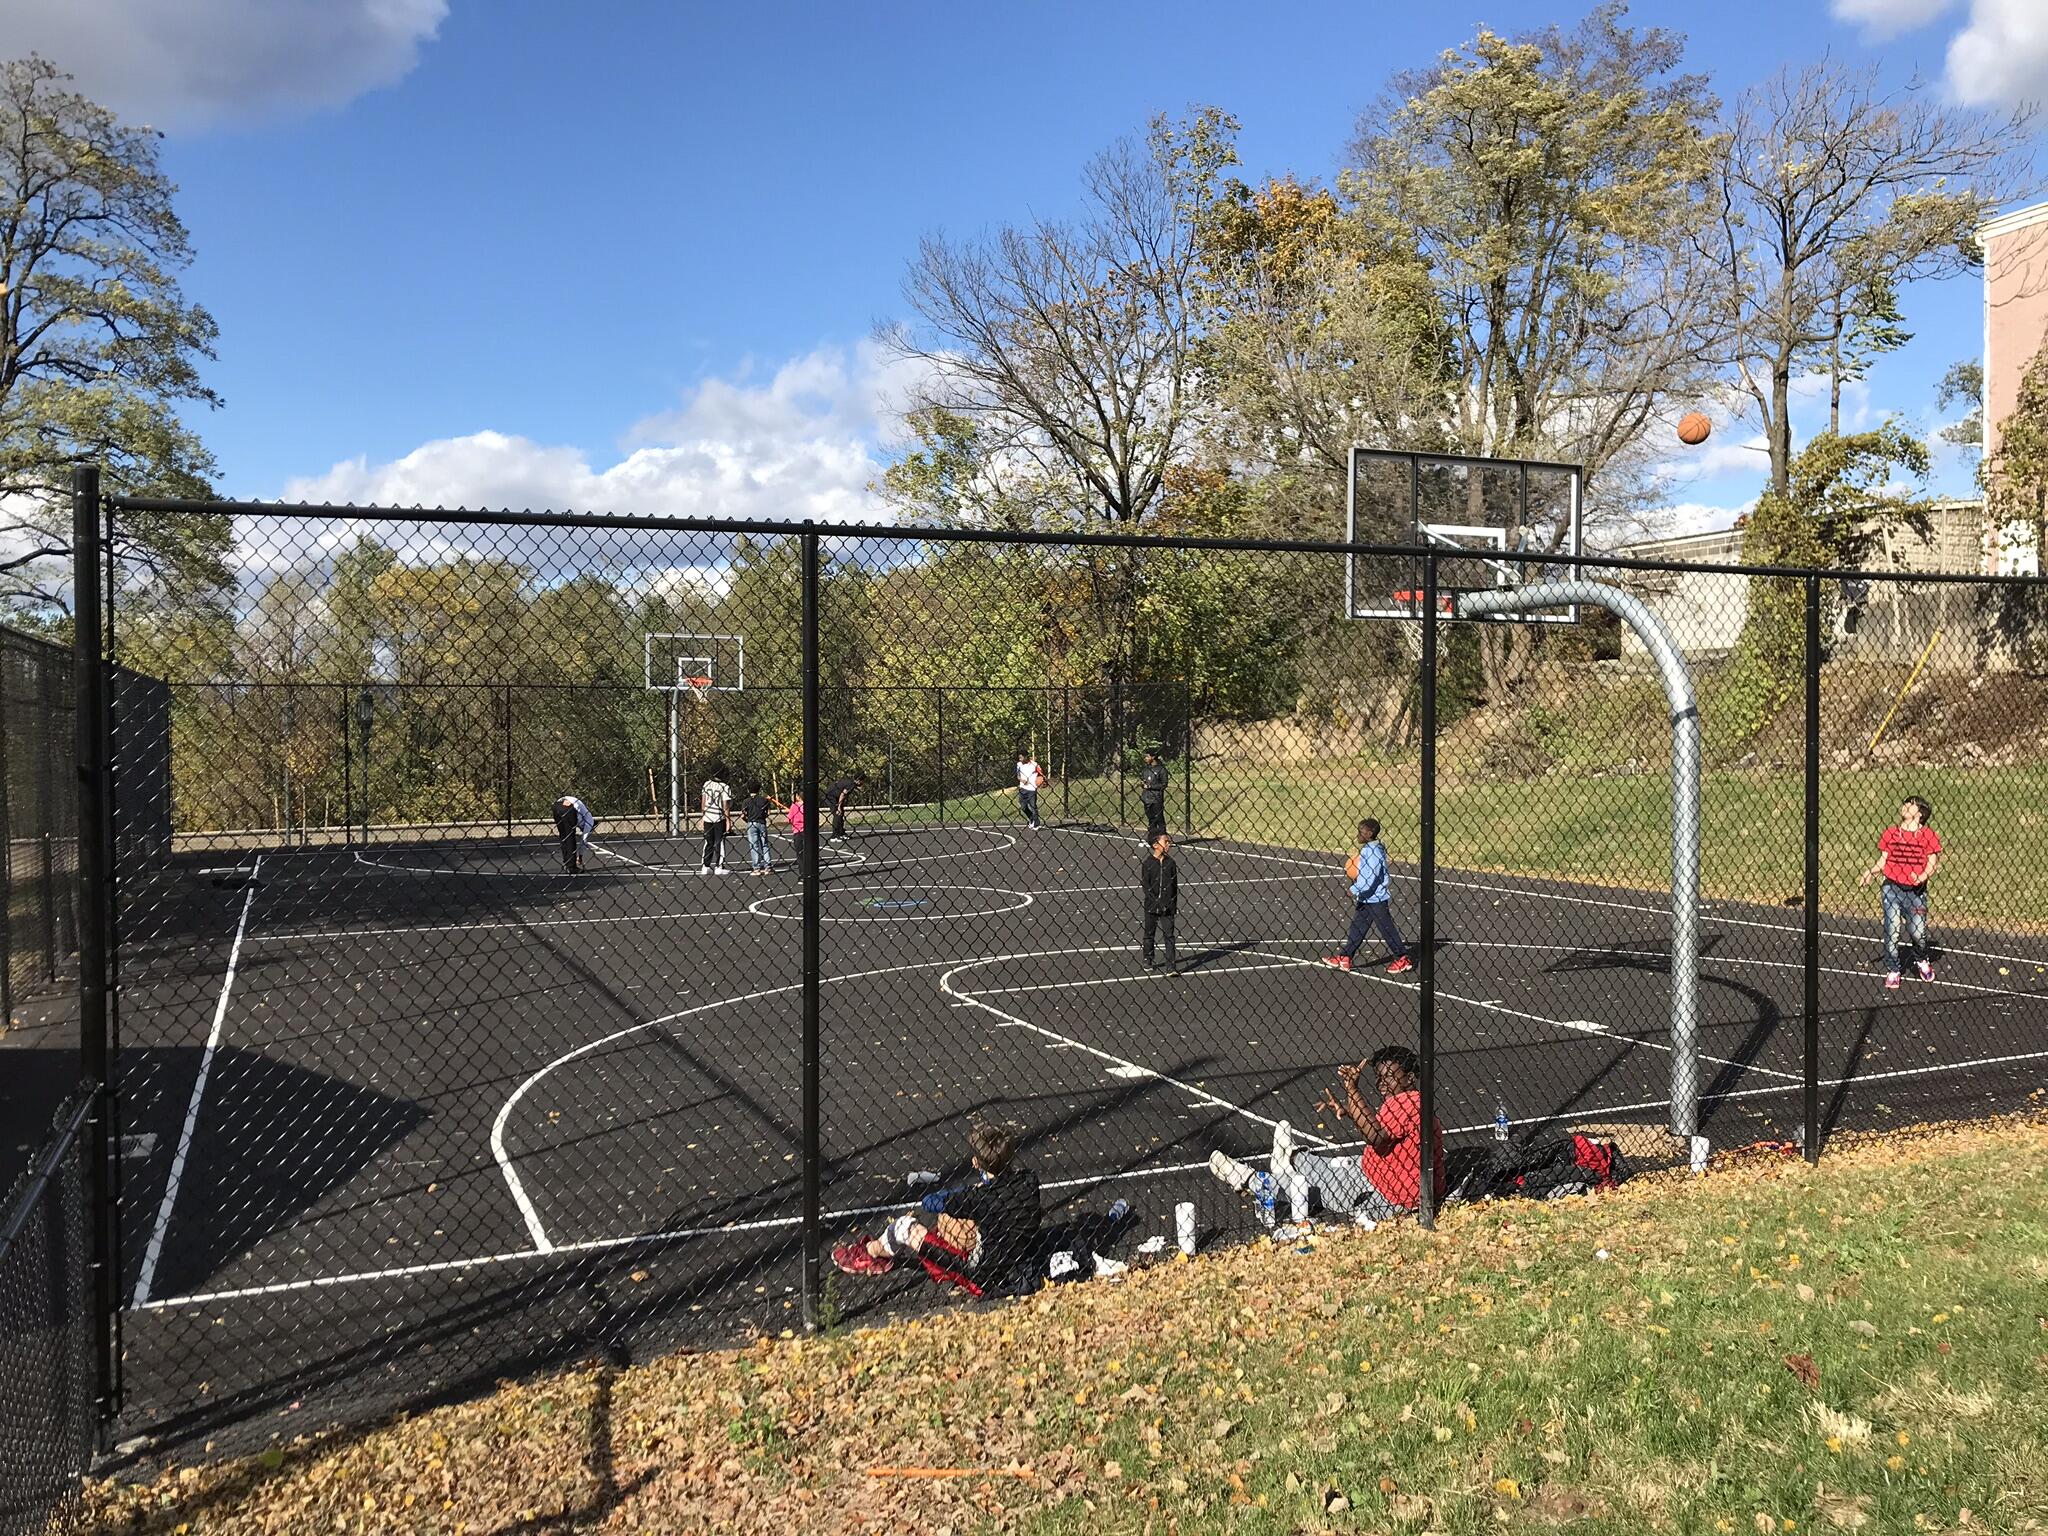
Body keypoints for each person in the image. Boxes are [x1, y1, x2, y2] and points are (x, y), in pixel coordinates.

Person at [1209, 1045, 1444, 1224]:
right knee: (1333, 1167)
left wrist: (1352, 1089)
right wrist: (1350, 1112)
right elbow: (1379, 1129)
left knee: (1316, 1186)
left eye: (1389, 1077)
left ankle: (1249, 1178)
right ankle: (1292, 1158)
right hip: (1380, 1174)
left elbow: (1375, 1135)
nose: (1382, 1084)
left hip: (1386, 1194)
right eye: (1379, 1078)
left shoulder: (1405, 1102)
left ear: (1410, 1078)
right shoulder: (1414, 1102)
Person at [831, 1122, 1041, 1287]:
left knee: (904, 1226)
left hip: (980, 1274)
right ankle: (881, 1251)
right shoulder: (1029, 1181)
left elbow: (930, 1202)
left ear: (976, 1162)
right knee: (969, 1223)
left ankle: (871, 1253)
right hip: (1019, 1260)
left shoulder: (976, 1197)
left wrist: (962, 1196)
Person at [1859, 795, 1942, 989]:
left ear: (1920, 814)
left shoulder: (1928, 835)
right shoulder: (1891, 833)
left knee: (1918, 934)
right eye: (1905, 803)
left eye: (1910, 804)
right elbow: (1884, 859)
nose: (1905, 806)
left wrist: (1921, 877)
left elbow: (1932, 864)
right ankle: (1893, 969)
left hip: (1915, 893)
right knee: (1892, 931)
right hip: (1892, 888)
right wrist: (1871, 871)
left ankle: (1921, 959)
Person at [1324, 818, 1412, 975]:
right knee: (1358, 927)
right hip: (1367, 897)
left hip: (1375, 898)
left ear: (1370, 833)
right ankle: (1345, 957)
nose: (1358, 835)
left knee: (1386, 928)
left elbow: (1370, 877)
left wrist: (1355, 888)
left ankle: (1402, 958)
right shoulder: (1372, 848)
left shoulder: (1372, 852)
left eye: (1361, 832)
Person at [1140, 831, 1179, 971]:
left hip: (1168, 906)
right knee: (1149, 933)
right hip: (1152, 906)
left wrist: (1173, 904)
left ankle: (1171, 966)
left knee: (1169, 935)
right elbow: (1146, 886)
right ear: (1156, 845)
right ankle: (1148, 959)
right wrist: (1156, 902)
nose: (1168, 844)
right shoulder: (1148, 864)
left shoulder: (1171, 863)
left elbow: (1174, 886)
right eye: (1166, 842)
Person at [699, 767, 733, 875]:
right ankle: (719, 865)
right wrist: (728, 821)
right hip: (718, 817)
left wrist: (702, 816)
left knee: (708, 841)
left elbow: (703, 802)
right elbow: (725, 805)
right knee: (719, 841)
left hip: (708, 816)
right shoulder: (724, 787)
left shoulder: (707, 784)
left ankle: (705, 865)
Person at [740, 783, 778, 877]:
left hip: (751, 822)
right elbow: (768, 812)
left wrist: (747, 820)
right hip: (761, 822)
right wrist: (763, 816)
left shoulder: (746, 801)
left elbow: (743, 814)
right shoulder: (764, 800)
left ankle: (756, 867)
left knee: (754, 845)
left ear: (749, 790)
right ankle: (768, 866)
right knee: (764, 844)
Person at [552, 794, 594, 873]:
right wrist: (580, 856)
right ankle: (571, 867)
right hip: (569, 809)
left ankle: (566, 862)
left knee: (563, 836)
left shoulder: (583, 812)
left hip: (557, 806)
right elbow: (583, 840)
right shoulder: (590, 822)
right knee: (570, 837)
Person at [1139, 747, 1169, 842]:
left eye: (1147, 757)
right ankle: (1152, 839)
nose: (1145, 759)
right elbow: (1144, 781)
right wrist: (1143, 785)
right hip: (1147, 798)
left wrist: (1151, 786)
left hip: (1156, 799)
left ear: (1153, 757)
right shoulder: (1146, 770)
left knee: (1159, 819)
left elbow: (1164, 785)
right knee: (1151, 820)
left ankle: (1163, 839)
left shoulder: (1161, 770)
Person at [824, 775, 862, 841]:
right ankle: (834, 835)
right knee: (837, 814)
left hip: (835, 797)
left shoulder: (850, 782)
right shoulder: (851, 784)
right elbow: (842, 795)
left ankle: (841, 833)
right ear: (858, 780)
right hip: (830, 796)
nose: (862, 783)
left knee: (841, 813)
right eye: (862, 781)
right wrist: (839, 807)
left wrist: (840, 807)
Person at [1015, 749, 1044, 830]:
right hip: (1022, 788)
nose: (1019, 759)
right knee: (1023, 807)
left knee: (1033, 806)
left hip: (1031, 789)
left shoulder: (1034, 764)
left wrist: (1041, 781)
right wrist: (1022, 780)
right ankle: (1032, 819)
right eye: (1019, 757)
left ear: (1025, 756)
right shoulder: (1019, 764)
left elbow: (1041, 774)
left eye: (1021, 757)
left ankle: (1036, 824)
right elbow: (1018, 776)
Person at [786, 791, 807, 865]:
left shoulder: (794, 806)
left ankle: (802, 871)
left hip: (797, 832)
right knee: (808, 851)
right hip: (807, 831)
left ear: (798, 796)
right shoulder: (809, 806)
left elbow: (789, 819)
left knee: (800, 853)